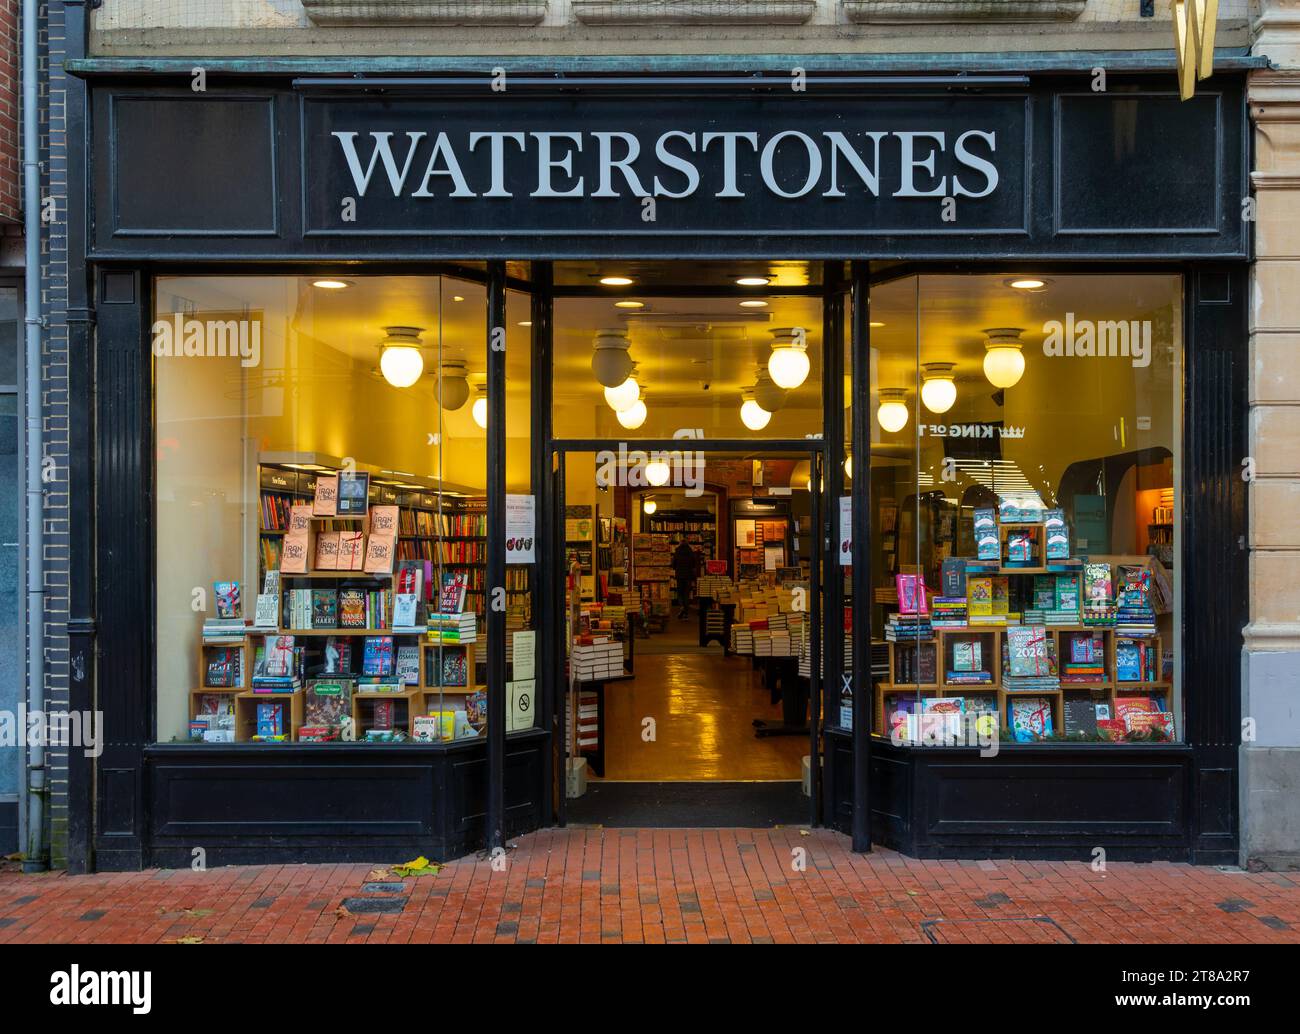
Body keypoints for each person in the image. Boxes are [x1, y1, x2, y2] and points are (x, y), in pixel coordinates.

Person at [671, 538, 698, 619]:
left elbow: (673, 564)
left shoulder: (677, 551)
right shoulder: (690, 552)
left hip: (679, 575)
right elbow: (694, 564)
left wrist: (676, 568)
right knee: (686, 593)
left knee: (680, 592)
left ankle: (682, 606)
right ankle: (686, 612)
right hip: (688, 575)